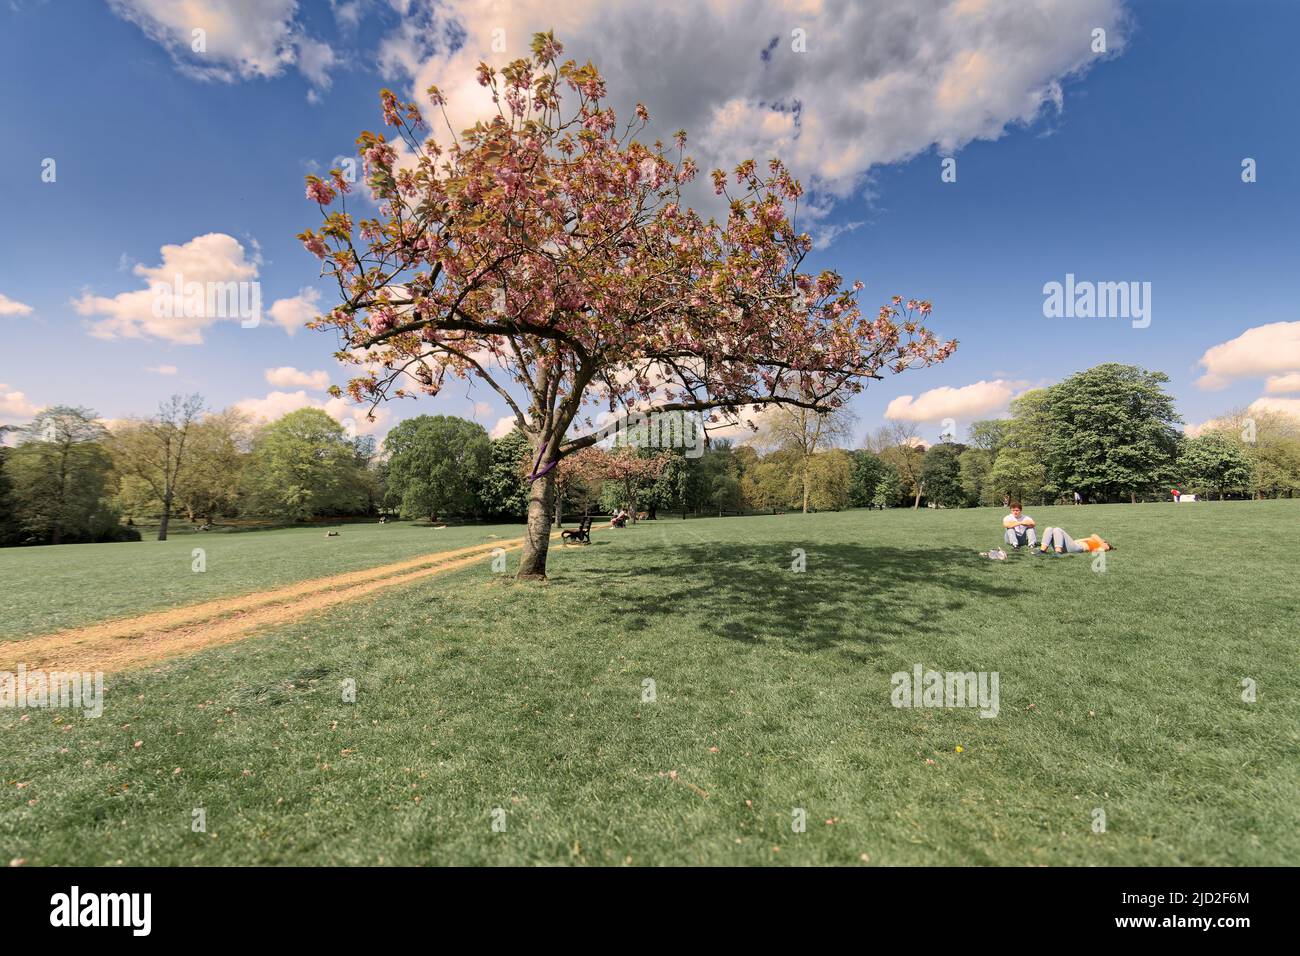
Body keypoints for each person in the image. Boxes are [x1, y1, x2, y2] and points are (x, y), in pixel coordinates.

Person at [1038, 527, 1114, 554]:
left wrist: (1102, 541)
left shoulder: (1103, 546)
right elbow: (1075, 541)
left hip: (1078, 548)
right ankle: (1042, 551)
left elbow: (1094, 535)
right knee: (1049, 529)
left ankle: (1058, 552)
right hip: (1070, 546)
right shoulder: (1093, 541)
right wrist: (1088, 539)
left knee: (1057, 529)